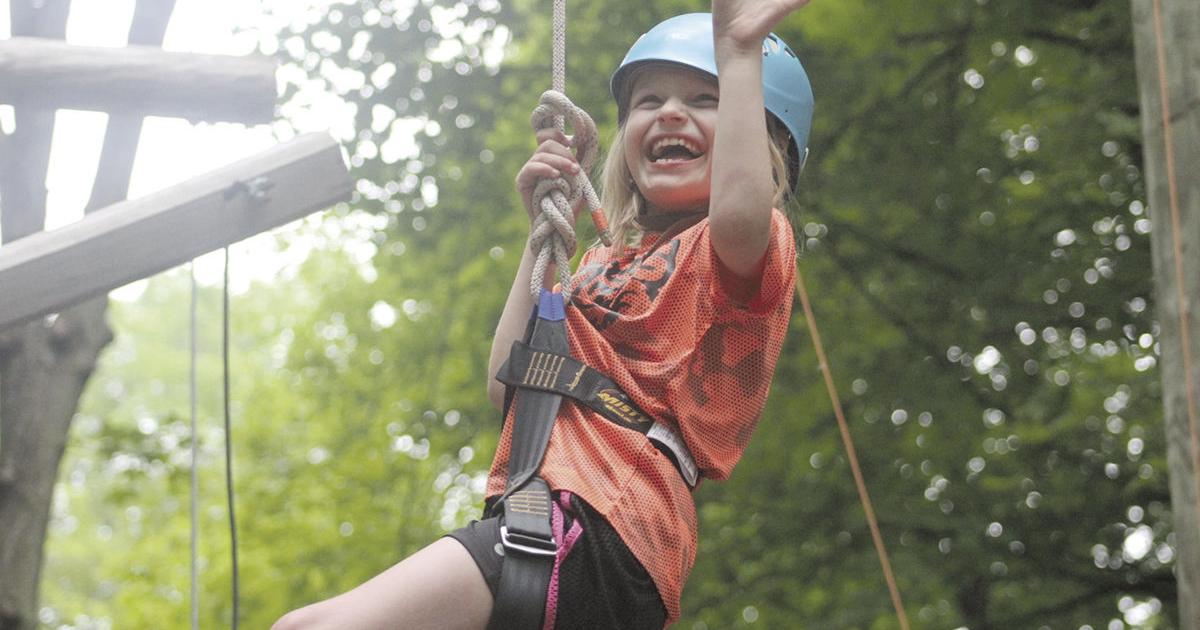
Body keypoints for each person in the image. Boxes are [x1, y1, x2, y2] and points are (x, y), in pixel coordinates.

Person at [272, 1, 813, 628]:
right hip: (558, 523)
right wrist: (542, 238)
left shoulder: (737, 255)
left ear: (759, 133)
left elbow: (743, 212)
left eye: (705, 97)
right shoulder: (596, 266)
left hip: (605, 516)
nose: (670, 112)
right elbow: (508, 382)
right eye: (649, 101)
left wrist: (740, 54)